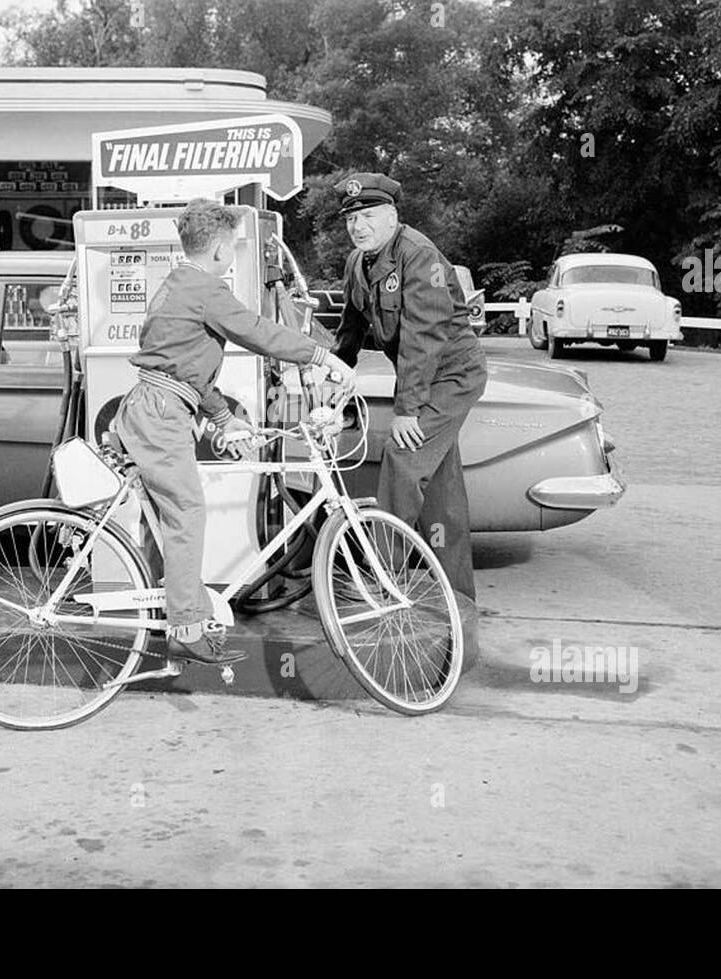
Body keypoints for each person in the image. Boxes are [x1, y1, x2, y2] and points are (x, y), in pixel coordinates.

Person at [113, 199, 355, 665]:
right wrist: (322, 357)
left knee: (164, 518)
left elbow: (183, 367)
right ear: (223, 248)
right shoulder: (206, 289)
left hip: (153, 405)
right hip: (162, 412)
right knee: (186, 511)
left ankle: (174, 610)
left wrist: (222, 419)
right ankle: (185, 626)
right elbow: (257, 331)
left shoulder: (176, 284)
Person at [330, 172, 487, 603]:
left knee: (403, 458)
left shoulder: (419, 256)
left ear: (392, 215)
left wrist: (407, 410)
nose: (358, 227)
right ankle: (458, 597)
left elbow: (424, 337)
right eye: (351, 219)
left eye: (368, 216)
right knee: (439, 490)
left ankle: (382, 574)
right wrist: (328, 374)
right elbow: (351, 328)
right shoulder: (358, 263)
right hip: (421, 376)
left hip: (451, 375)